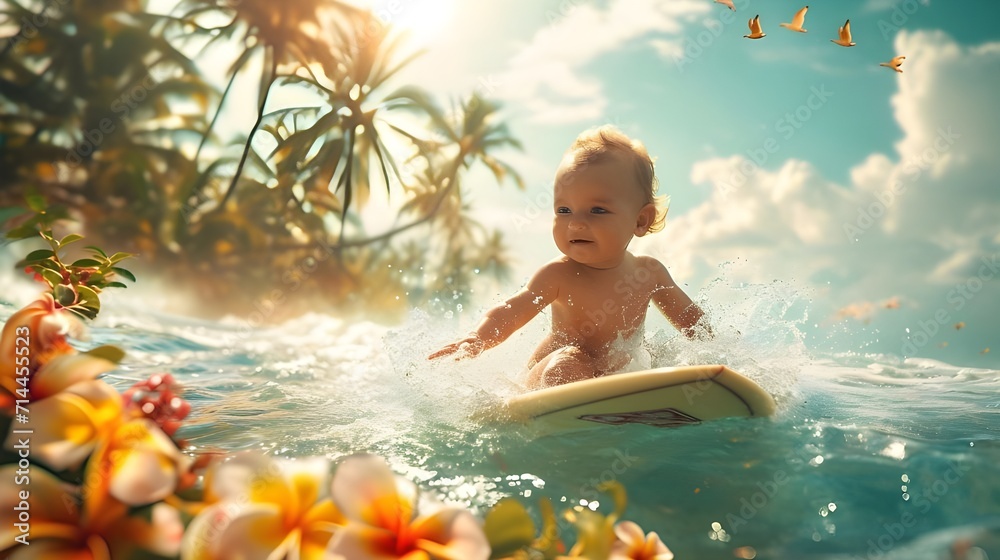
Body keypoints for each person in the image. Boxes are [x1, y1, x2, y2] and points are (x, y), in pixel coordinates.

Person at [428, 125, 711, 388]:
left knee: (658, 355)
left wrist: (716, 354)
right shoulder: (558, 274)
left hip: (611, 377)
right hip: (549, 375)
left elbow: (692, 322)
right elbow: (512, 310)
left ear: (640, 220)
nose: (575, 223)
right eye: (564, 210)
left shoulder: (648, 273)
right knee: (568, 363)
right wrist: (477, 339)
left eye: (597, 210)